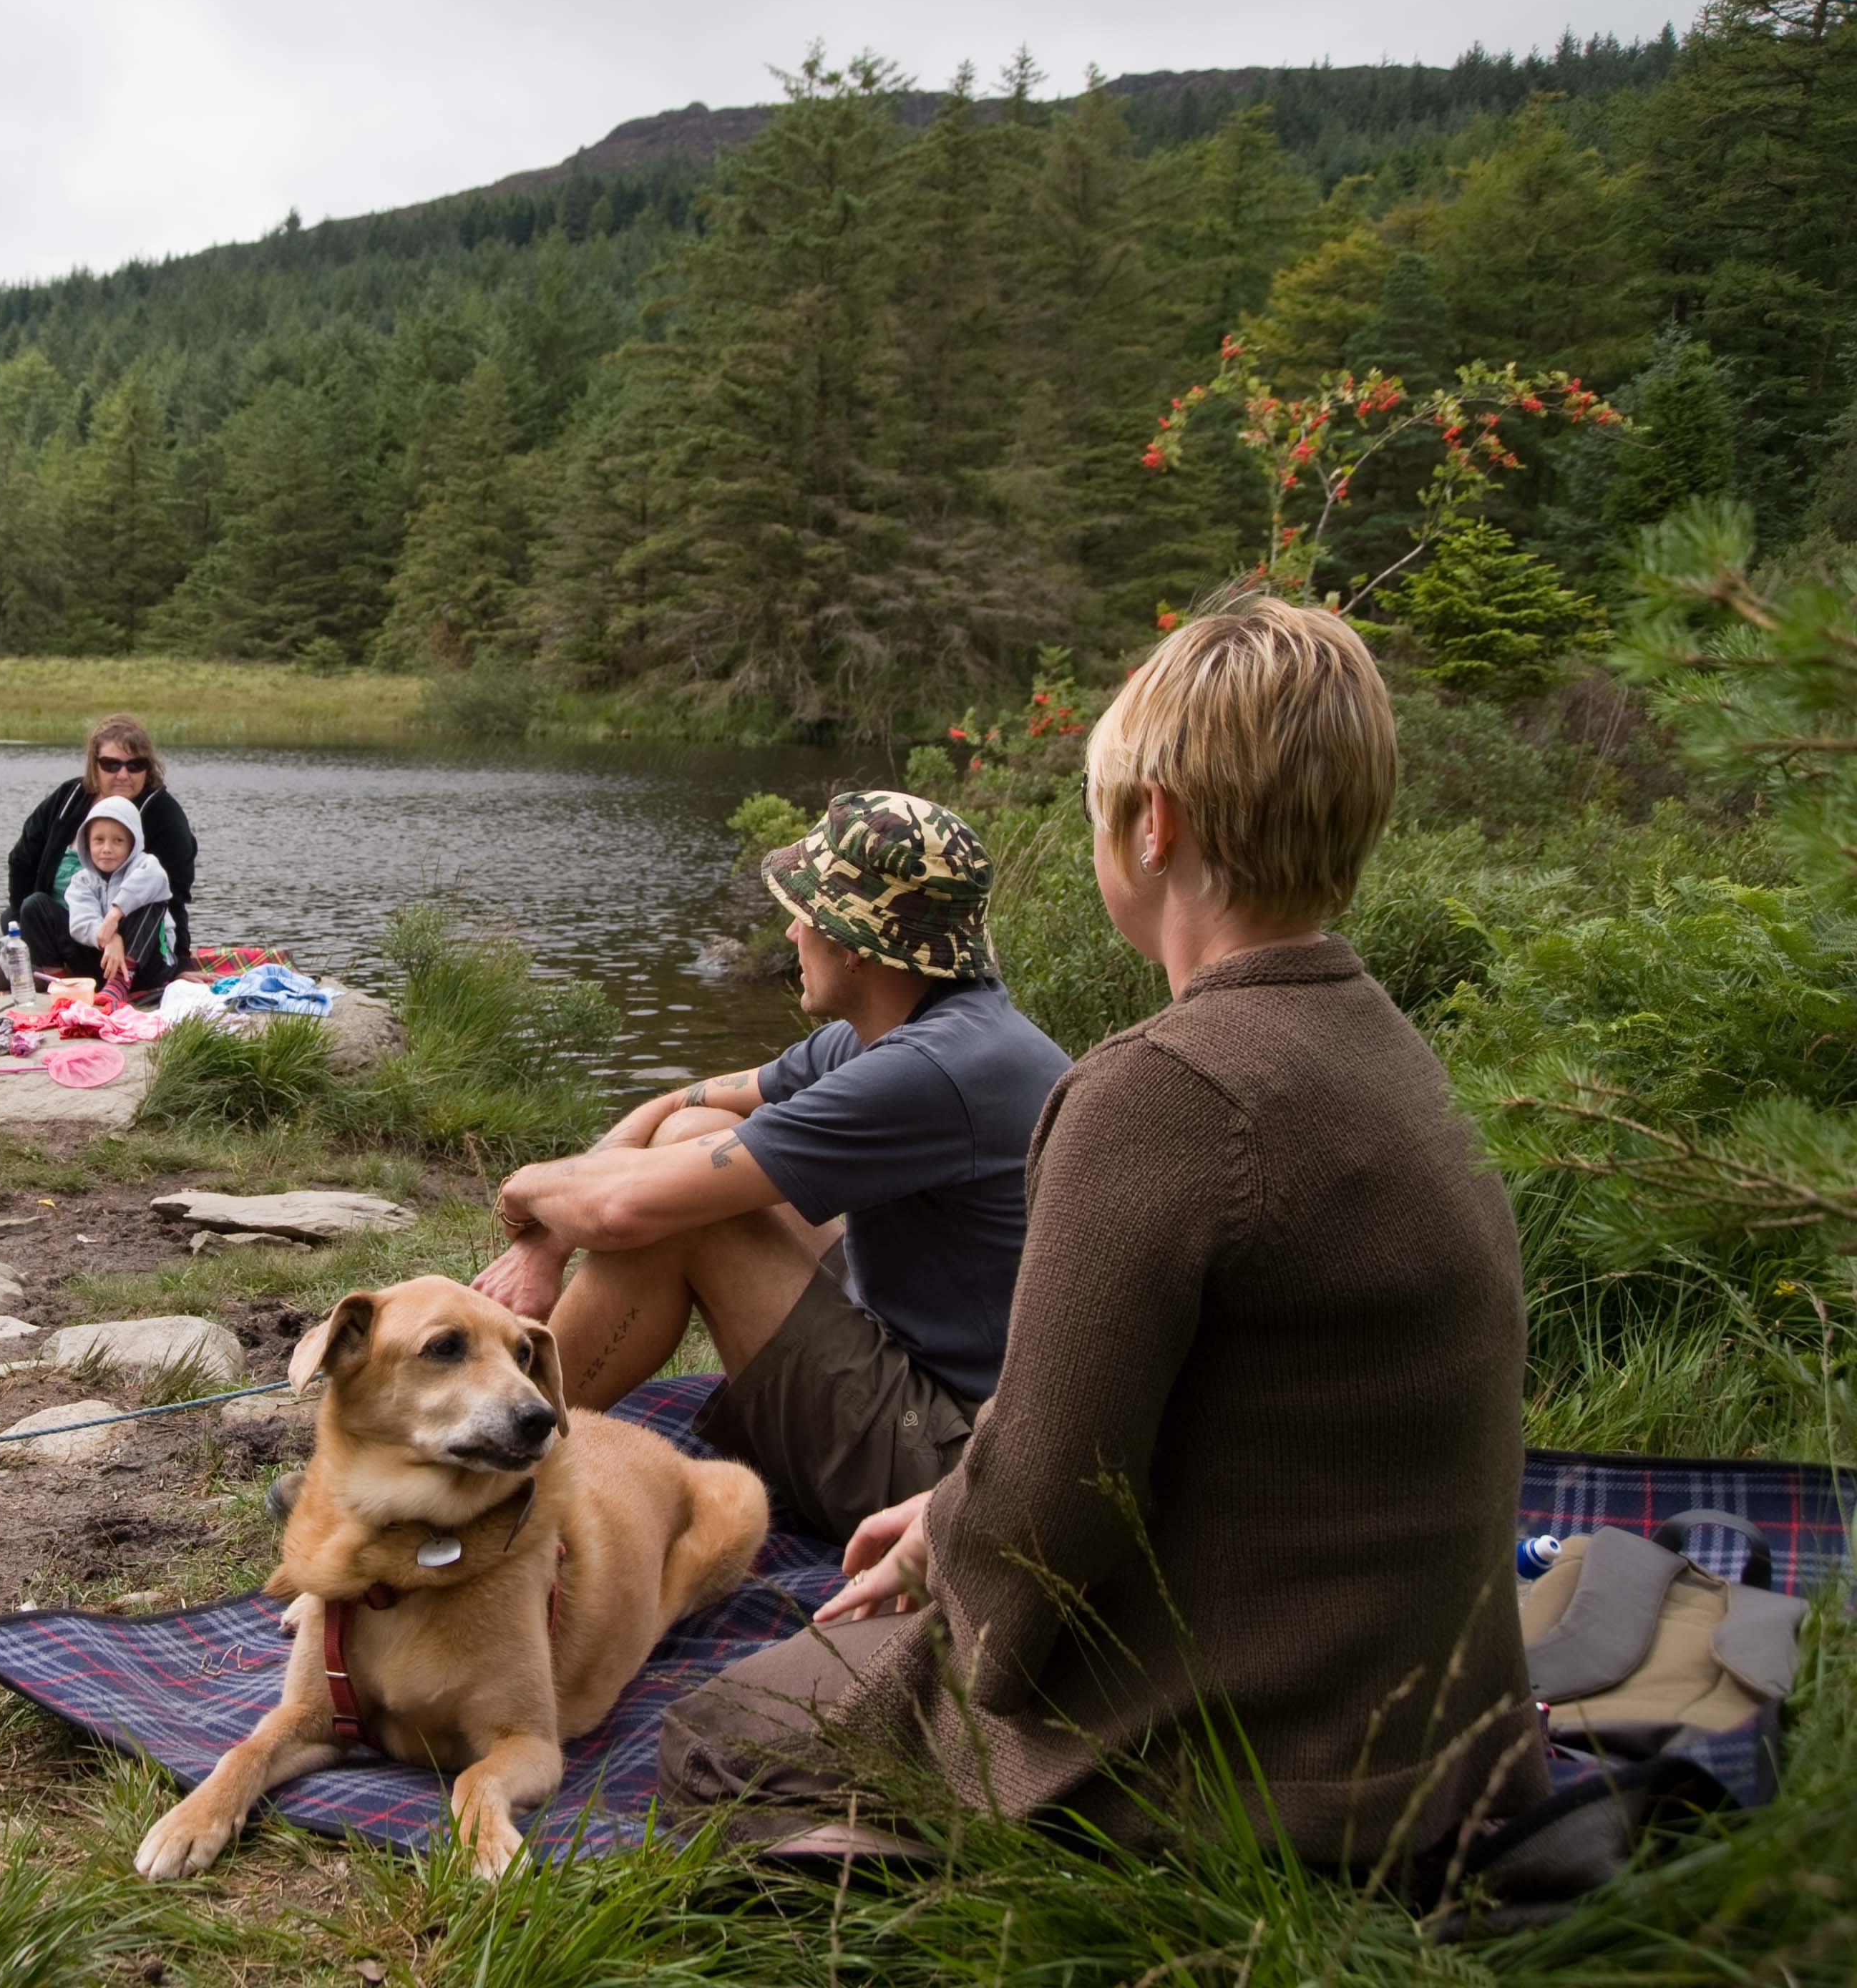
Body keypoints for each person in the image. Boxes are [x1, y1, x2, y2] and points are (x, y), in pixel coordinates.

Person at [654, 596, 1547, 1871]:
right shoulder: (1386, 1049)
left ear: (1153, 822)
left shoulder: (1160, 1095)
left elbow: (1038, 1520)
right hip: (1445, 1739)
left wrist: (954, 1582)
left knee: (717, 1733)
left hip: (1255, 1777)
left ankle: (990, 1879)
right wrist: (943, 1514)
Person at [472, 792, 1071, 1546]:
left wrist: (522, 1190)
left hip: (960, 1472)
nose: (790, 932)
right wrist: (546, 1242)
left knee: (689, 1218)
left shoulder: (930, 1070)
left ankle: (482, 1472)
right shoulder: (916, 1028)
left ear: (855, 942)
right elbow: (678, 1103)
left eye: (803, 913)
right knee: (696, 1134)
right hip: (943, 1392)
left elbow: (624, 1209)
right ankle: (503, 1440)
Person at [6, 714, 196, 975]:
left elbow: (173, 895)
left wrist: (183, 963)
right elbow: (22, 860)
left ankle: (123, 977)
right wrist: (23, 932)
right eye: (111, 764)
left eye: (135, 765)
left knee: (150, 900)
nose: (123, 775)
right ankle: (56, 983)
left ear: (148, 768)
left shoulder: (165, 815)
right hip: (59, 930)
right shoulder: (70, 797)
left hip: (131, 938)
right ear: (94, 765)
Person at [62, 796, 177, 994]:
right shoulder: (82, 880)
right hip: (106, 962)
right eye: (99, 840)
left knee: (151, 900)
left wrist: (116, 914)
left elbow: (158, 878)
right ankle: (62, 982)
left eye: (118, 841)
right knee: (37, 906)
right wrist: (111, 938)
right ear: (86, 844)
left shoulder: (146, 865)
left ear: (132, 844)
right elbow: (81, 923)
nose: (107, 849)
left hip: (151, 965)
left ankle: (123, 979)